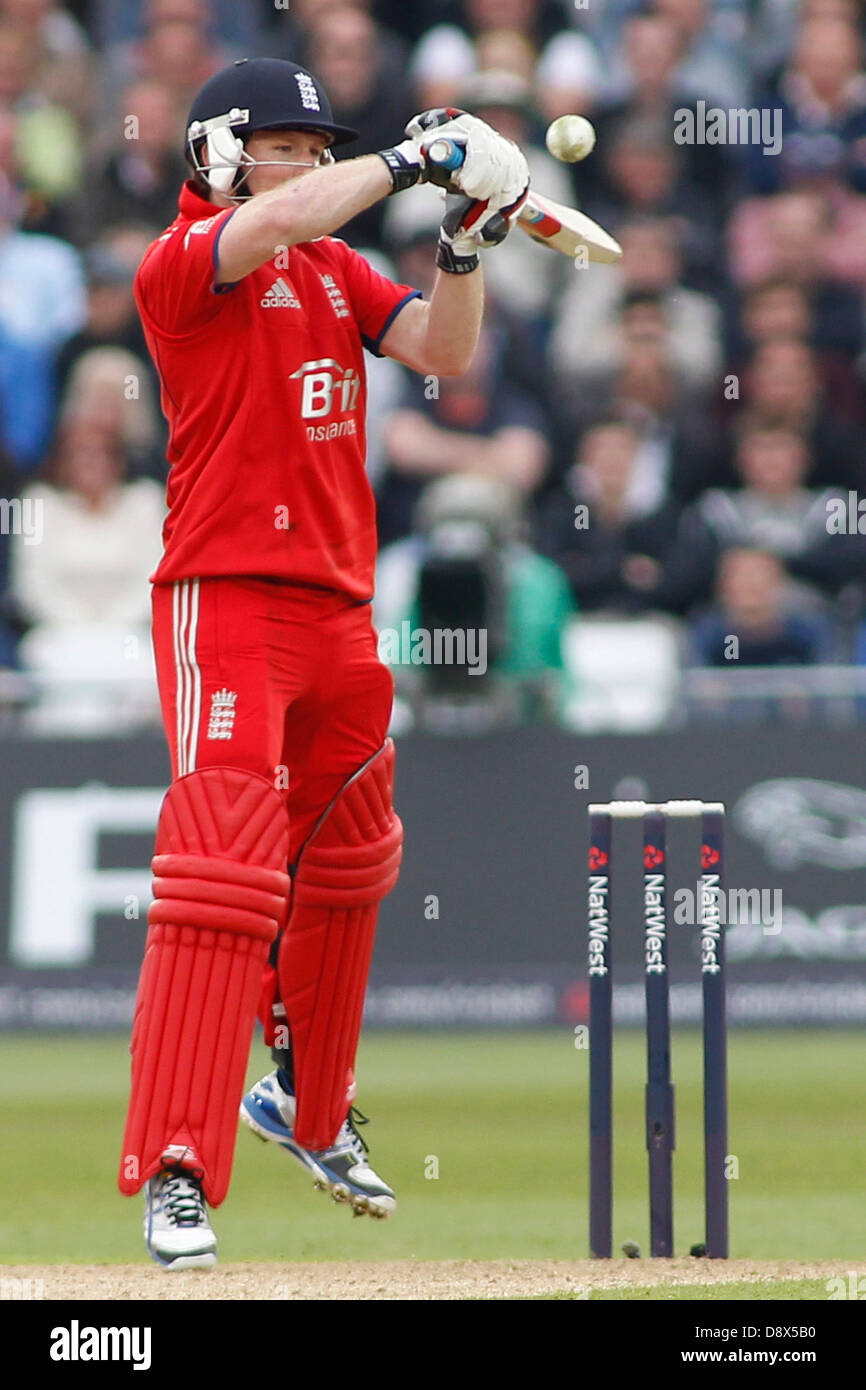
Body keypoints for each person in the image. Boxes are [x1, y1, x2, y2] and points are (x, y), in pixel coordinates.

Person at [116, 56, 529, 1269]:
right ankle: (179, 1169)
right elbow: (286, 212)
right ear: (219, 153)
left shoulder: (332, 266)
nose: (304, 160)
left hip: (340, 605)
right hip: (225, 595)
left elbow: (443, 359)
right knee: (219, 871)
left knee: (350, 859)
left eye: (317, 144)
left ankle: (306, 1101)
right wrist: (409, 161)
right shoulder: (184, 264)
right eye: (284, 142)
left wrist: (463, 241)